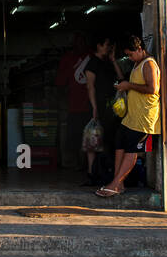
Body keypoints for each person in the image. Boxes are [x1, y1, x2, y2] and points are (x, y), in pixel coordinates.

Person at [97, 35, 161, 198]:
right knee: (119, 142)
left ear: (140, 49)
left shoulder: (149, 64)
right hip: (131, 116)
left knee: (132, 150)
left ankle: (115, 184)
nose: (130, 58)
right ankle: (119, 183)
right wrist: (124, 85)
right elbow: (127, 81)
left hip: (144, 117)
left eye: (131, 54)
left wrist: (129, 86)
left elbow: (152, 89)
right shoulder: (137, 64)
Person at [81, 35, 123, 186]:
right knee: (94, 141)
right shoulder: (92, 63)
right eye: (106, 44)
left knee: (107, 140)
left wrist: (113, 60)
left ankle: (106, 172)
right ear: (98, 45)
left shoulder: (107, 63)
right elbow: (90, 86)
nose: (108, 47)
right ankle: (92, 174)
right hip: (96, 107)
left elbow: (121, 79)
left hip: (110, 108)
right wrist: (94, 107)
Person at [55, 32, 91, 170]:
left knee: (88, 138)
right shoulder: (69, 58)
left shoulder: (91, 56)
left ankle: (86, 165)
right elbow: (60, 82)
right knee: (76, 137)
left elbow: (60, 82)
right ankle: (79, 163)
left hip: (88, 106)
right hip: (75, 106)